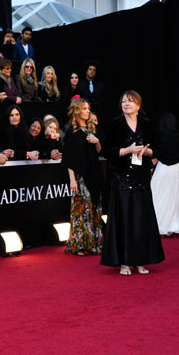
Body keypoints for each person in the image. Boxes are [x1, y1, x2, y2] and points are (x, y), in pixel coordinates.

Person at [100, 90, 164, 275]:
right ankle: (124, 262)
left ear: (138, 105)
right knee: (124, 219)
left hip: (141, 177)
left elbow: (158, 149)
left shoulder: (147, 124)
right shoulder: (115, 124)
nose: (126, 104)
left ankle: (141, 261)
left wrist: (149, 153)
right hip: (121, 177)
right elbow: (107, 151)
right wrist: (126, 150)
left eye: (130, 101)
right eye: (124, 101)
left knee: (141, 220)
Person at [63, 98, 104, 255]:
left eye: (89, 108)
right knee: (82, 210)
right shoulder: (71, 132)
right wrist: (72, 179)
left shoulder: (91, 129)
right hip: (80, 176)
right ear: (77, 110)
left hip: (94, 173)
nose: (88, 111)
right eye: (85, 108)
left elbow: (99, 151)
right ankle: (79, 244)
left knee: (94, 207)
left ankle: (95, 242)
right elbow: (68, 158)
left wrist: (97, 141)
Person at [151, 113, 179, 236]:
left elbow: (157, 153)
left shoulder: (159, 136)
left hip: (162, 167)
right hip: (175, 169)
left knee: (157, 196)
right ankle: (171, 228)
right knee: (174, 198)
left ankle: (156, 225)